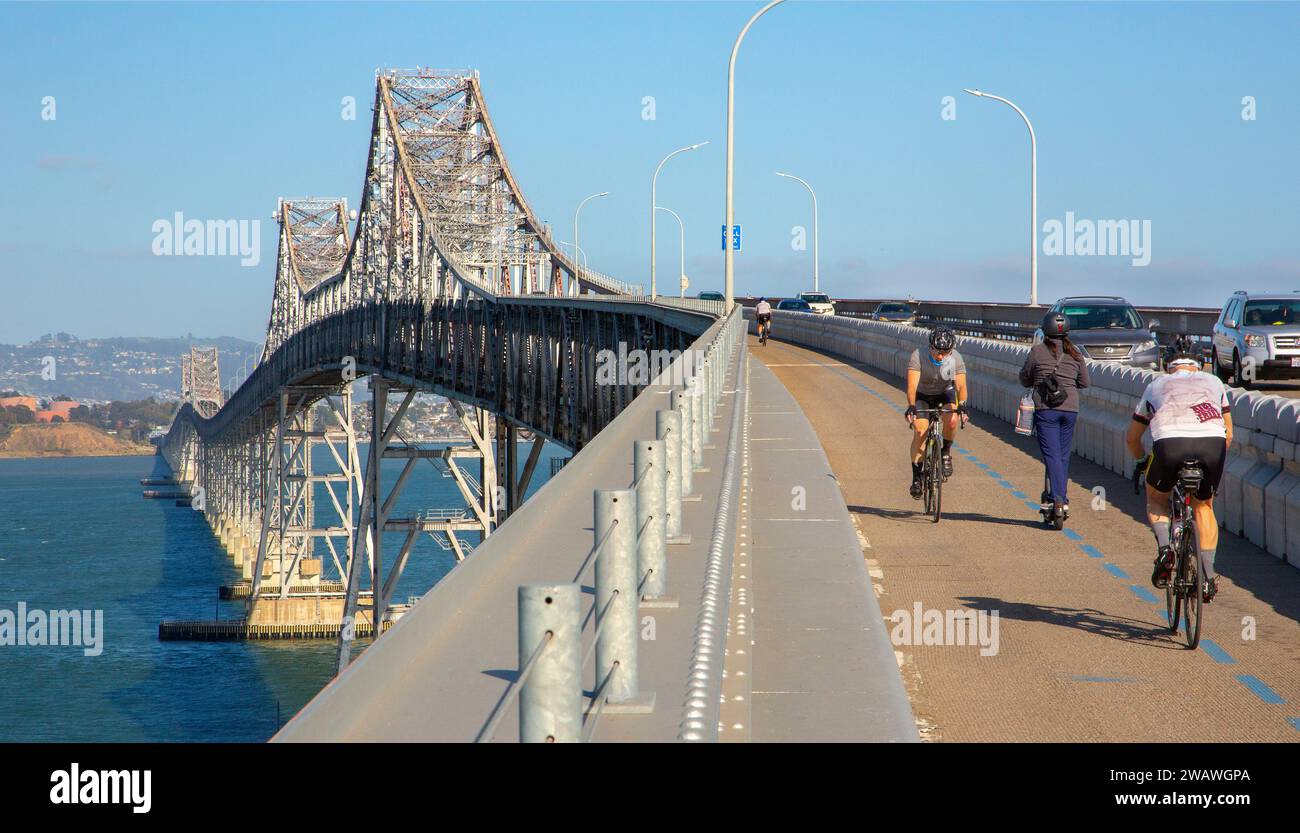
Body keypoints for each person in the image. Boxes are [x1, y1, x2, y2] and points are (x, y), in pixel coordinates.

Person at [1127, 352, 1233, 602]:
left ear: (1168, 368)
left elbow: (1132, 438)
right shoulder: (1215, 382)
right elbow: (1229, 435)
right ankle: (1207, 578)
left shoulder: (1156, 385)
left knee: (1157, 499)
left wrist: (1142, 462)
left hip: (1170, 443)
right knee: (1204, 506)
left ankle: (1165, 551)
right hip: (1211, 443)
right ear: (1198, 367)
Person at [1019, 312, 1091, 521]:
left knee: (1051, 456)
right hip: (1070, 409)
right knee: (1062, 455)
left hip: (1046, 410)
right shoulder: (1076, 353)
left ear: (1045, 330)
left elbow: (1025, 378)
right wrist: (1068, 383)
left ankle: (1059, 499)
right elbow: (1085, 383)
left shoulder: (1037, 351)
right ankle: (1056, 497)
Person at [905, 326, 969, 498]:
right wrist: (911, 406)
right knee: (920, 430)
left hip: (944, 393)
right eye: (937, 351)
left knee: (953, 419)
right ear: (930, 347)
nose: (940, 356)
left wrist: (962, 404)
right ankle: (917, 477)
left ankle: (946, 452)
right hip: (923, 395)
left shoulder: (956, 358)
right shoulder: (918, 356)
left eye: (945, 352)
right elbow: (911, 386)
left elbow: (961, 385)